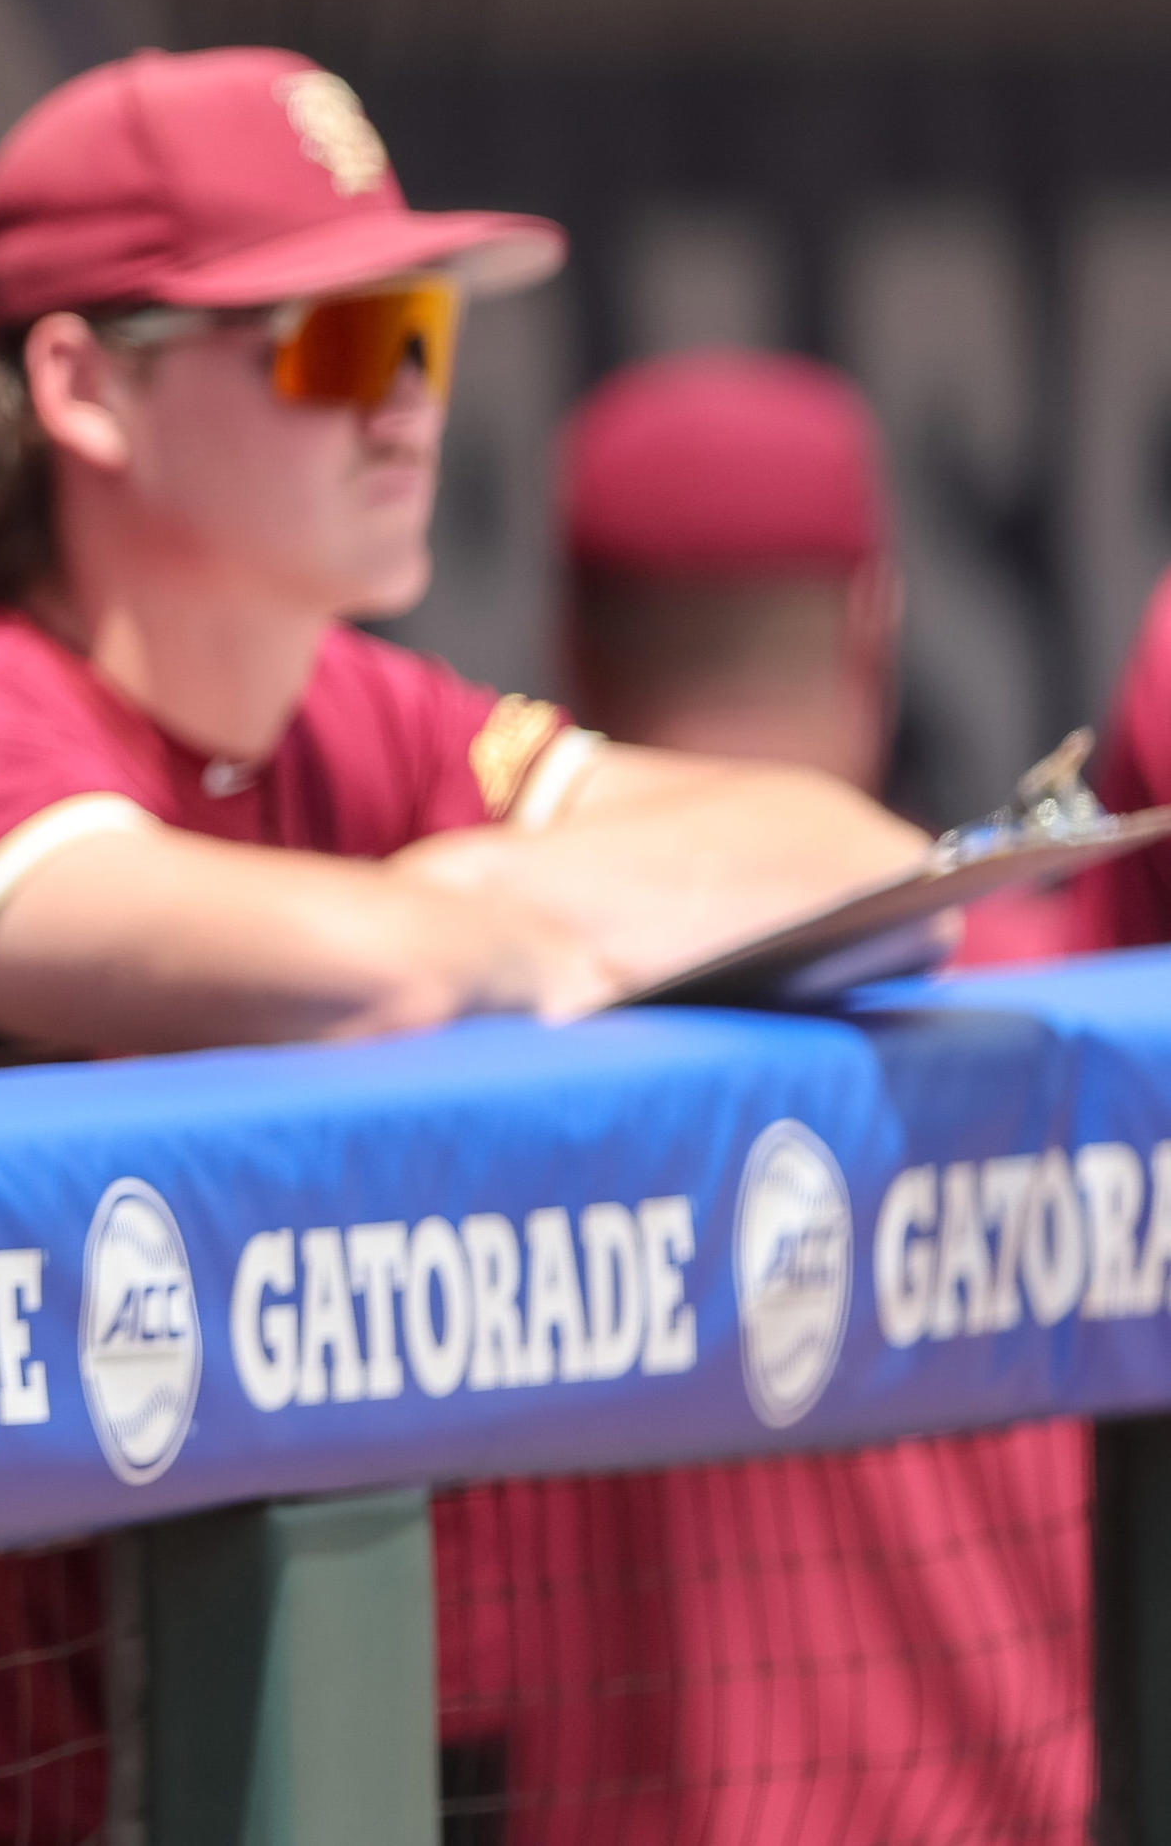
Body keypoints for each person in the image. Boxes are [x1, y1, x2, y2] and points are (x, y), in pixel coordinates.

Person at [0, 46, 919, 1842]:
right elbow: (378, 978)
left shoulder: (359, 718)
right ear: (84, 386)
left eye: (418, 332)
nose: (405, 403)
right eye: (330, 342)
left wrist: (461, 908)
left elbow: (849, 847)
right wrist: (474, 925)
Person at [430, 350, 1084, 1844]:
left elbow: (433, 1681)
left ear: (562, 658)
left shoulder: (497, 1100)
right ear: (878, 616)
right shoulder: (1070, 1016)